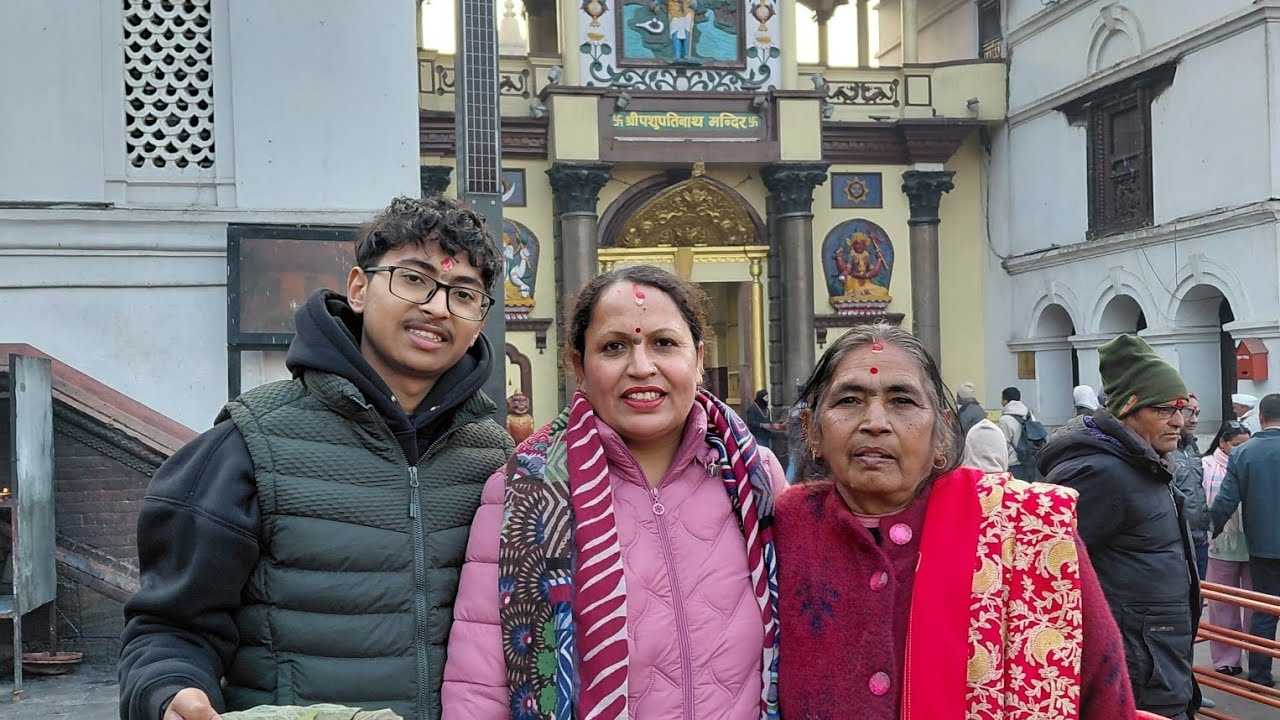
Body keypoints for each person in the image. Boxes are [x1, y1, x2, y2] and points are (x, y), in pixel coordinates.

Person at [118, 196, 514, 720]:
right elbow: (169, 627)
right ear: (358, 288)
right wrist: (169, 691)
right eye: (414, 279)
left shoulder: (498, 459)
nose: (438, 307)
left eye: (463, 294)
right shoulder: (251, 442)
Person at [442, 264, 788, 719]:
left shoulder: (754, 479)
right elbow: (479, 688)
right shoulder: (520, 491)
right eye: (614, 347)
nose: (642, 367)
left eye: (664, 343)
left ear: (699, 358)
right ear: (577, 365)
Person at [775, 323, 1135, 719]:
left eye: (902, 401)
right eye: (848, 400)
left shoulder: (1029, 531)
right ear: (813, 431)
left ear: (942, 434)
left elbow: (1105, 691)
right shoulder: (782, 528)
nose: (875, 422)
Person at [1039, 334, 1202, 719]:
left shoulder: (1143, 465)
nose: (1179, 421)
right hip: (1135, 676)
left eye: (1181, 409)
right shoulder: (1104, 473)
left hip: (1158, 667)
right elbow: (1046, 566)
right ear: (1129, 410)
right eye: (1164, 410)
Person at [1210, 393, 1280, 688]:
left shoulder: (1242, 454)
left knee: (1264, 611)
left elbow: (1226, 501)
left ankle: (1261, 675)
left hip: (1262, 546)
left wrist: (1208, 532)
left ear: (1260, 418)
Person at [1202, 420, 1253, 677]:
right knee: (1222, 605)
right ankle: (1226, 659)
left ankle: (1256, 657)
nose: (1242, 450)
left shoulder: (1251, 464)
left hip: (1253, 544)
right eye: (1236, 445)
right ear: (1222, 443)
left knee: (1255, 606)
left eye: (1246, 445)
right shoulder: (1205, 466)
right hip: (1220, 545)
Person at [1171, 393, 1209, 579]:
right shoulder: (1166, 450)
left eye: (1197, 413)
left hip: (1200, 540)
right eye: (1189, 412)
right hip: (1178, 543)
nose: (1194, 420)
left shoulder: (1192, 448)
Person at [998, 386, 1039, 481]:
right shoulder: (1029, 414)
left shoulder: (1005, 419)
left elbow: (1004, 443)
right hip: (1030, 461)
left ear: (1005, 400)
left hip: (1014, 464)